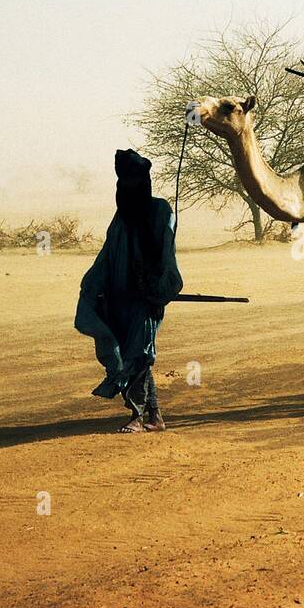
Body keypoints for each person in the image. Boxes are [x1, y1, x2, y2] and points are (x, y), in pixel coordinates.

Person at [75, 149, 183, 432]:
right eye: (125, 181)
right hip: (118, 300)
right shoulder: (120, 218)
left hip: (146, 301)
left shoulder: (161, 211)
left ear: (144, 180)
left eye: (134, 180)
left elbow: (167, 255)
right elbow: (107, 255)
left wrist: (161, 291)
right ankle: (155, 416)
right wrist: (94, 287)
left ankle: (137, 416)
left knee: (139, 353)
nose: (129, 186)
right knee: (136, 357)